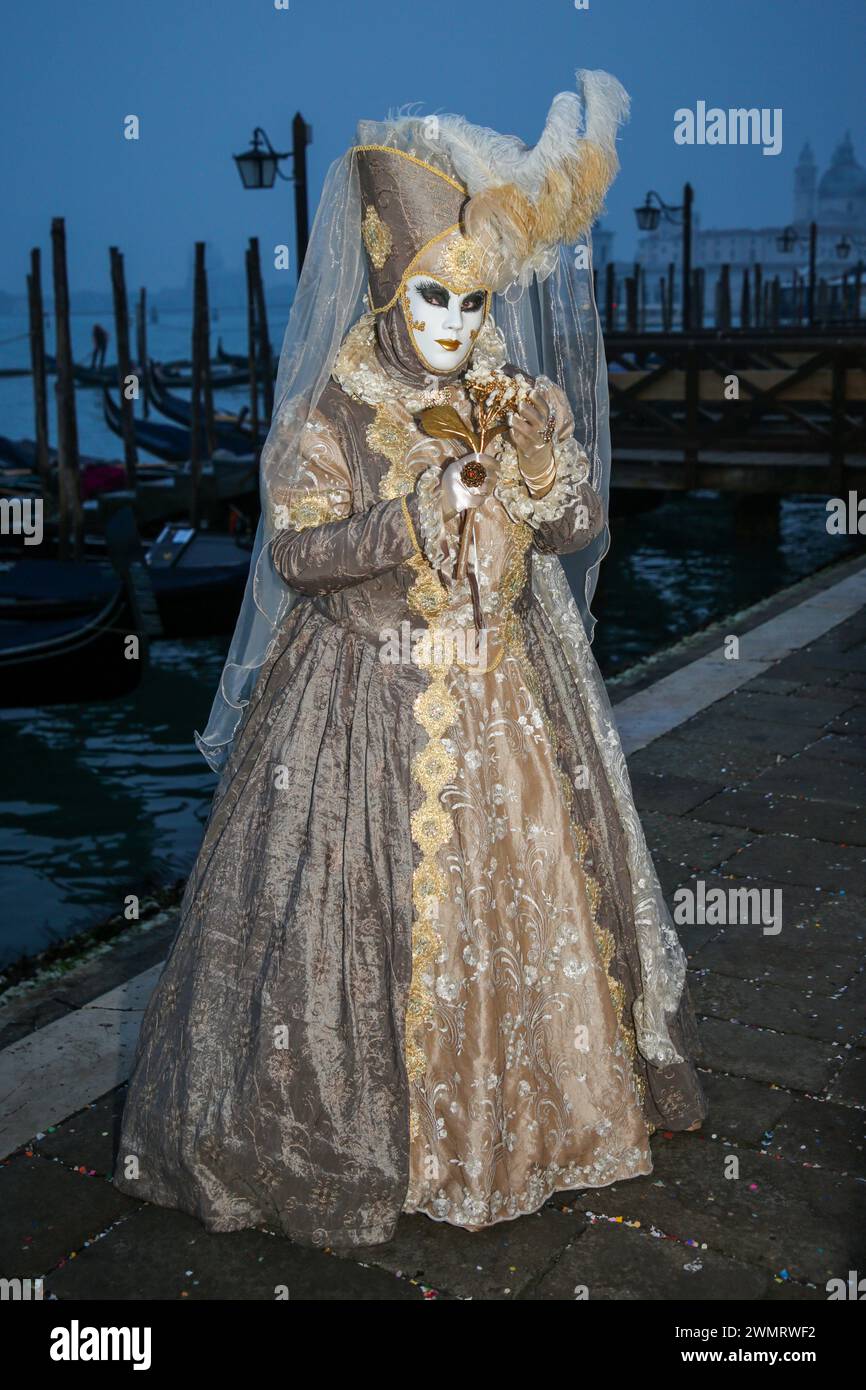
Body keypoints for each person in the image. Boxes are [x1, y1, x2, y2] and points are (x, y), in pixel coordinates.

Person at [113, 69, 707, 1247]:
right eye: (434, 296)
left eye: (475, 303)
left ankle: (541, 1117)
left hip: (510, 691)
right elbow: (296, 552)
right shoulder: (332, 408)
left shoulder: (499, 383)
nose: (453, 324)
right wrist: (414, 514)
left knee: (540, 896)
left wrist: (542, 470)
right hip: (363, 698)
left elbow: (575, 527)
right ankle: (376, 1134)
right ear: (390, 280)